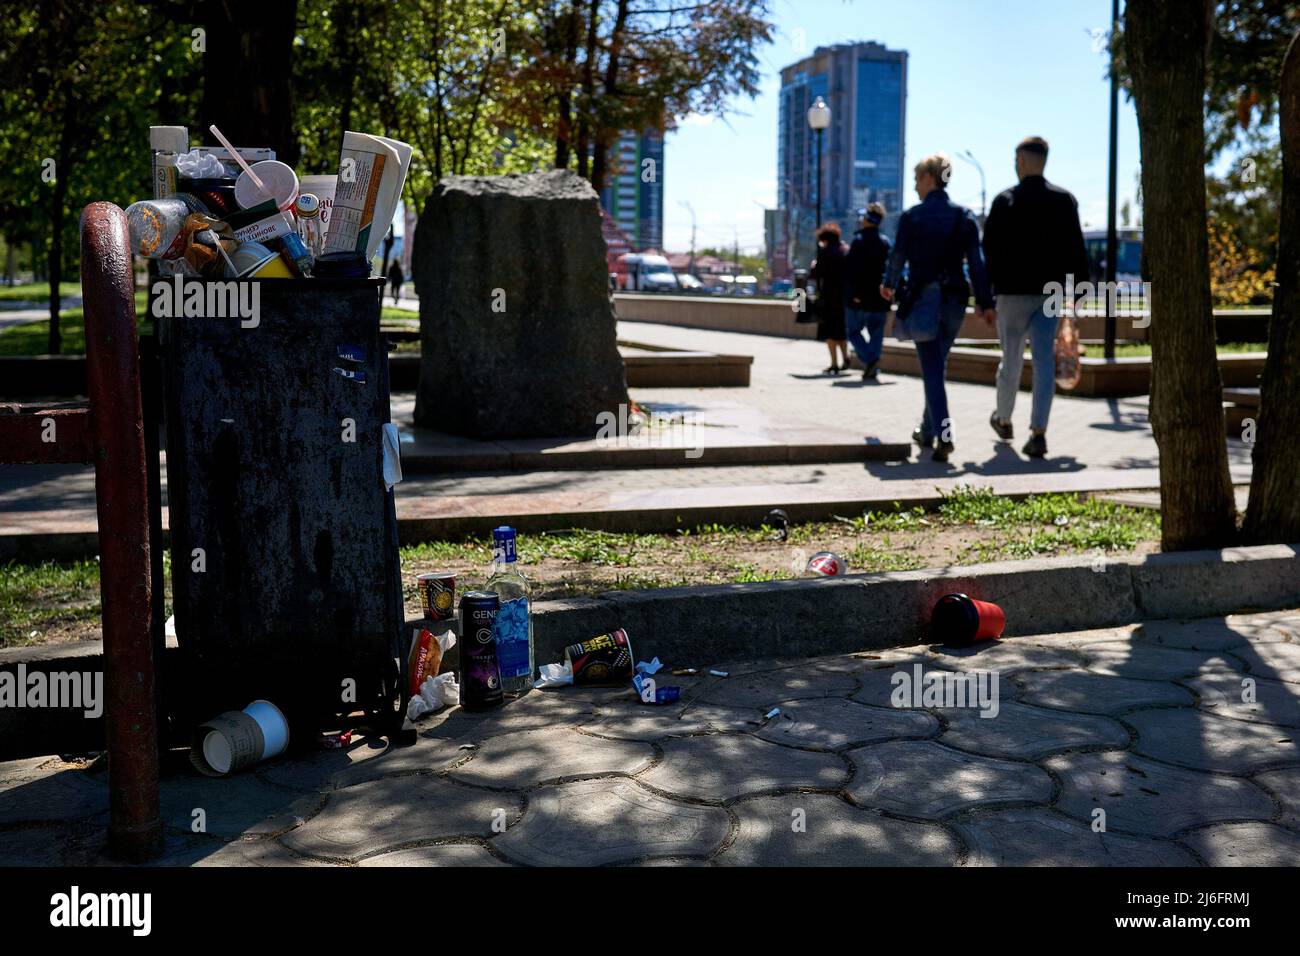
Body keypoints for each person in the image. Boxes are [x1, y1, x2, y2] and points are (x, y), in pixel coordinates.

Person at [981, 136, 1091, 458]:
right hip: (1050, 294)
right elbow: (1076, 248)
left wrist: (986, 297)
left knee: (1011, 359)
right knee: (1044, 362)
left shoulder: (1005, 201)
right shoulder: (1064, 201)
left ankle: (1003, 418)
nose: (1015, 166)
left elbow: (989, 251)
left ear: (1023, 162)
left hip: (1012, 294)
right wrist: (1080, 290)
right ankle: (1038, 433)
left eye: (1017, 161)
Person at [880, 154, 994, 462]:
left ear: (929, 178)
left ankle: (944, 435)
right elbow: (977, 263)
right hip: (955, 301)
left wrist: (888, 285)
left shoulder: (913, 217)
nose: (915, 186)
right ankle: (927, 431)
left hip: (925, 300)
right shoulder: (964, 216)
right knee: (936, 367)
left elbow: (897, 257)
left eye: (917, 179)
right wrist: (984, 302)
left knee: (932, 369)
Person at [844, 203, 892, 380]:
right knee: (876, 333)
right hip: (880, 298)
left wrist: (852, 294)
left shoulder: (859, 242)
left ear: (867, 220)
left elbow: (851, 271)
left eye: (863, 217)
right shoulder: (886, 242)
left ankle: (870, 360)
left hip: (859, 299)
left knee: (853, 332)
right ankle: (873, 367)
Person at [809, 223, 850, 374]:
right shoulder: (845, 251)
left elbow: (816, 274)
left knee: (830, 331)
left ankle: (834, 363)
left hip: (828, 297)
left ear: (824, 239)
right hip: (844, 297)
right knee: (841, 330)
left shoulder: (825, 252)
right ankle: (846, 357)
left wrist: (814, 265)